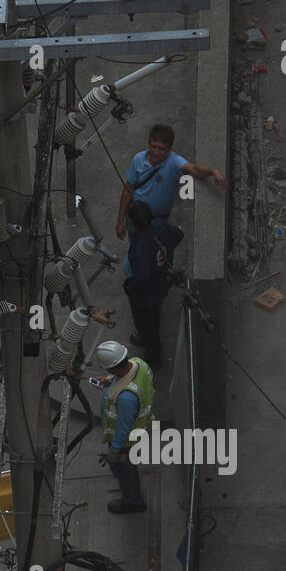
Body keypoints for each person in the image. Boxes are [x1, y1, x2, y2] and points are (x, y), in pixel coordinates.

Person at [116, 124, 227, 239]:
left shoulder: (175, 162)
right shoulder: (138, 159)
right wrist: (120, 221)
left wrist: (213, 172)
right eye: (153, 146)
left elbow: (194, 169)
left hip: (158, 220)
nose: (156, 152)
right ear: (148, 143)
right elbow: (127, 190)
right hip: (135, 219)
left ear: (169, 149)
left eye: (161, 149)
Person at [94, 339, 155, 514]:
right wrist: (109, 381)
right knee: (124, 466)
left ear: (112, 368)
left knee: (125, 468)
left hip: (125, 441)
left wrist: (115, 451)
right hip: (141, 427)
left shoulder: (126, 397)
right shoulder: (139, 363)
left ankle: (133, 501)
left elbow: (123, 428)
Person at [123, 199, 184, 369]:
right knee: (155, 312)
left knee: (144, 322)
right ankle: (150, 337)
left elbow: (141, 278)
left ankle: (153, 356)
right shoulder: (161, 226)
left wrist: (129, 287)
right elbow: (178, 235)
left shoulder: (139, 248)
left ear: (133, 222)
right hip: (162, 282)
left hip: (146, 292)